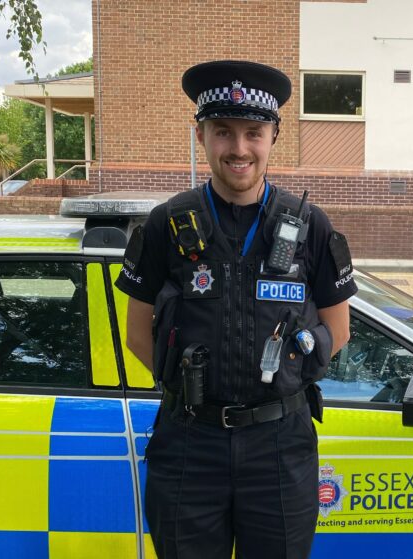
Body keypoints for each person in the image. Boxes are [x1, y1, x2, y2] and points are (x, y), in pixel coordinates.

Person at [114, 60, 357, 559]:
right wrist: (191, 395)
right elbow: (139, 334)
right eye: (223, 131)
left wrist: (284, 382)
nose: (239, 149)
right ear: (200, 132)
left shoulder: (309, 225)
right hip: (189, 444)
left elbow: (337, 330)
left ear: (274, 135)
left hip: (279, 445)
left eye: (253, 132)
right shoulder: (165, 224)